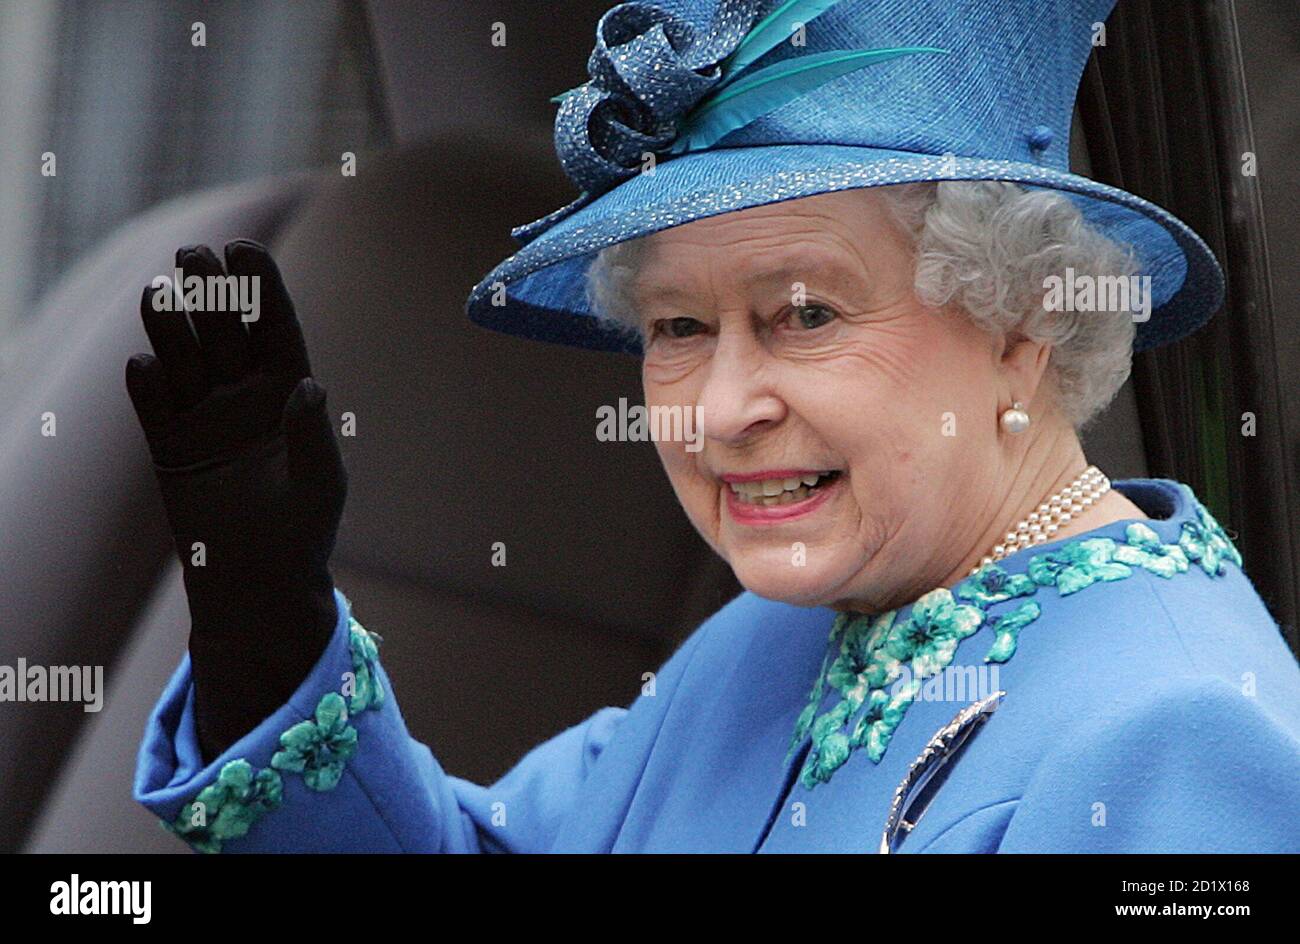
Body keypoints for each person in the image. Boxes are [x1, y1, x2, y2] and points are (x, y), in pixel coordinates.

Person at [129, 0, 1300, 852]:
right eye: (679, 326)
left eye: (803, 312)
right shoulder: (771, 643)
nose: (724, 409)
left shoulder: (1176, 736)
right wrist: (267, 623)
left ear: (1021, 324)